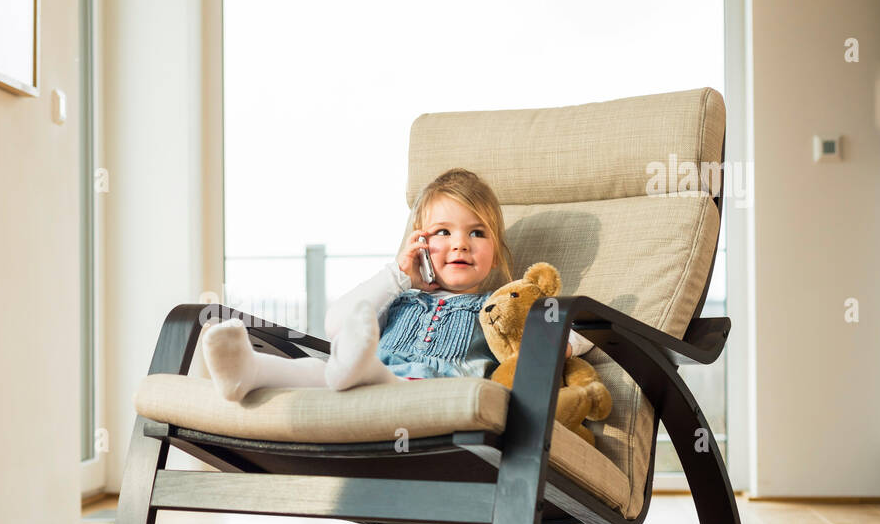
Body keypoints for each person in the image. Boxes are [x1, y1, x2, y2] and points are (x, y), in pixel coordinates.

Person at [203, 168, 592, 401]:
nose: (459, 243)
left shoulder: (497, 307)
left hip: (430, 394)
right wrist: (398, 275)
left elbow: (579, 333)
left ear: (496, 249)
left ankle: (355, 372)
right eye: (443, 231)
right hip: (362, 375)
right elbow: (337, 323)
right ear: (420, 242)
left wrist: (568, 344)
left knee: (355, 372)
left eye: (477, 233)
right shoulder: (400, 296)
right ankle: (249, 373)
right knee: (314, 368)